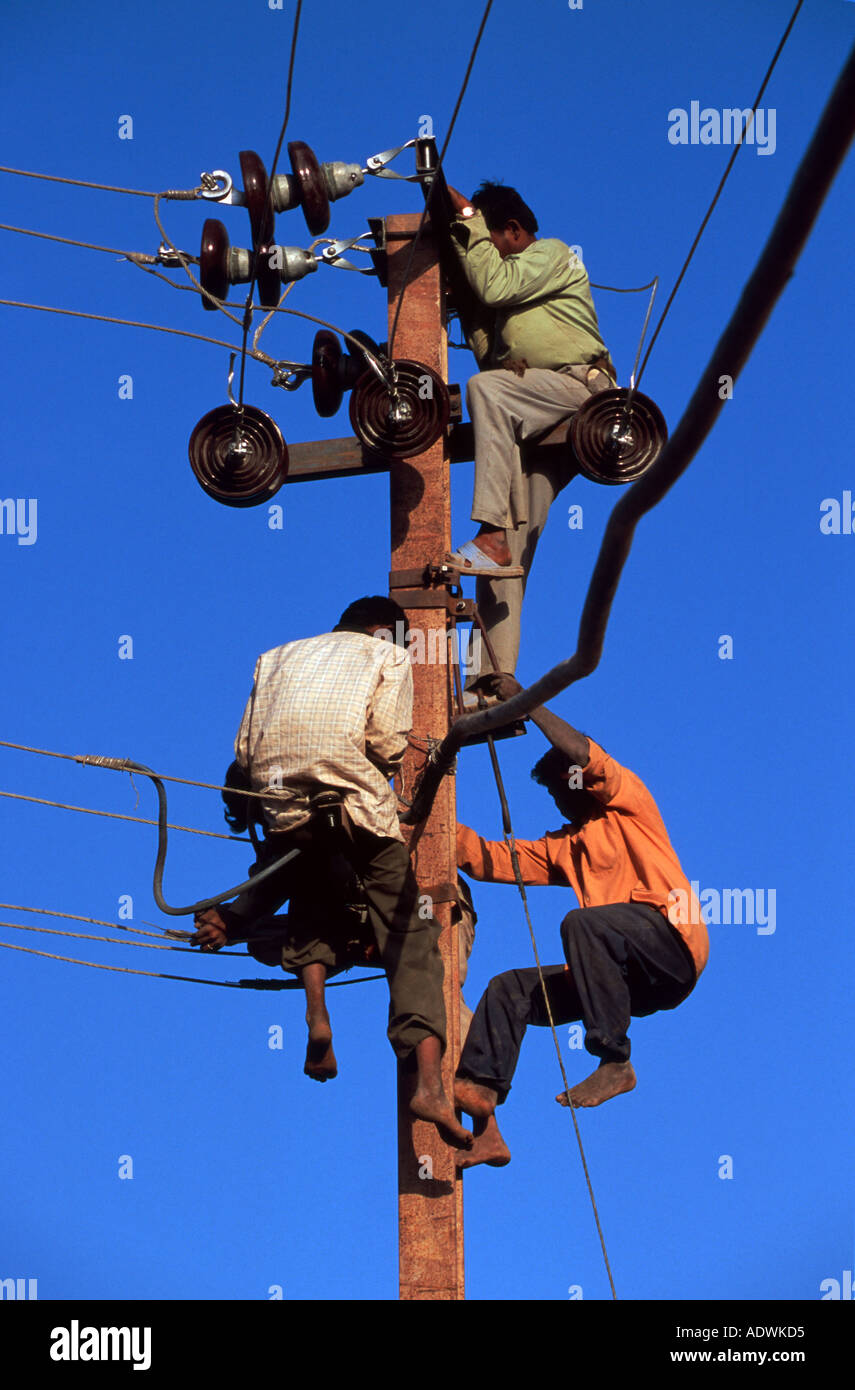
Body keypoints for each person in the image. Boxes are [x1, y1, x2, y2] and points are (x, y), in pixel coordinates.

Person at [190, 595, 472, 1149]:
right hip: (357, 805)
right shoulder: (386, 657)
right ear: (381, 630)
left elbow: (245, 751)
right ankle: (431, 1086)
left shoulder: (272, 658)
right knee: (412, 939)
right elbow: (389, 744)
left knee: (306, 882)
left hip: (281, 803)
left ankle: (317, 1014)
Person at [452, 675, 708, 1169]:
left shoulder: (627, 805)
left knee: (581, 925)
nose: (559, 802)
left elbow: (584, 754)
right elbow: (487, 859)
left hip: (670, 945)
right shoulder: (567, 848)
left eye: (561, 789)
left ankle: (615, 1060)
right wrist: (418, 825)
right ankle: (483, 1110)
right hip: (623, 979)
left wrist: (526, 703)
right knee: (510, 989)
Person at [444, 181, 616, 684]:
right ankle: (488, 681)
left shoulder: (552, 254)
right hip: (534, 417)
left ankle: (491, 531)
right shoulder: (509, 305)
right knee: (509, 554)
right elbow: (494, 353)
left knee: (487, 392)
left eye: (489, 243)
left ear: (514, 231)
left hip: (579, 391)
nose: (485, 259)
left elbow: (496, 285)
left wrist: (469, 217)